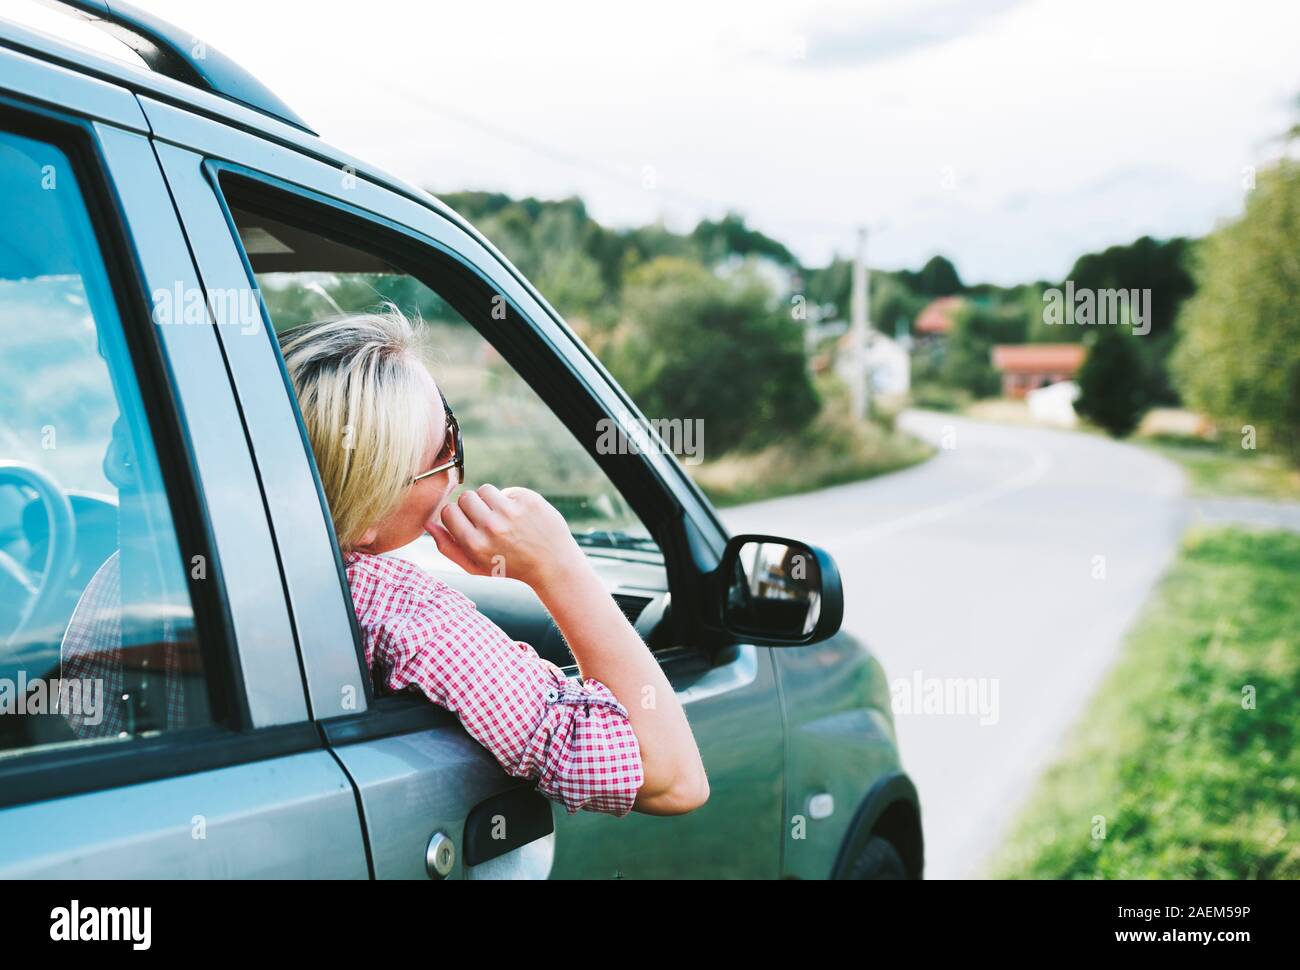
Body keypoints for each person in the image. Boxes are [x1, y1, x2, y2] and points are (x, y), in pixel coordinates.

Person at [277, 308, 708, 817]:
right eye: (445, 448)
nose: (458, 468)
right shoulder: (408, 616)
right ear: (367, 512)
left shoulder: (202, 579)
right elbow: (672, 780)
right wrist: (557, 566)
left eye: (452, 425)